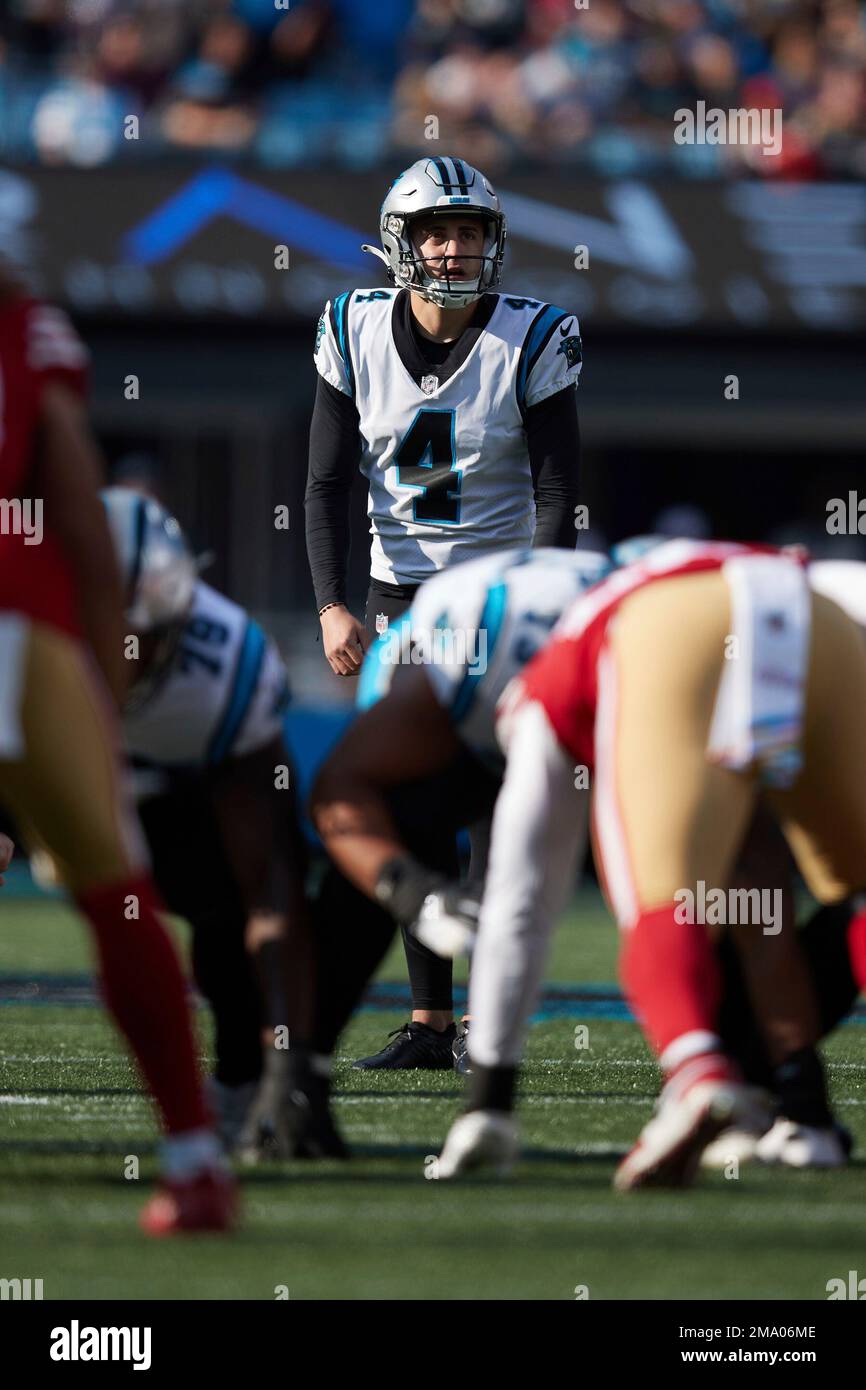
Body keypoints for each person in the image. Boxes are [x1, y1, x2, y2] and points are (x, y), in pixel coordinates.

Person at [430, 539, 866, 1188]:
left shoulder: (539, 692)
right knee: (811, 894)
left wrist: (488, 1101)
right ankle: (805, 1121)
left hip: (673, 630)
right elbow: (761, 908)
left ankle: (697, 1074)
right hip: (815, 606)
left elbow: (522, 902)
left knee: (661, 900)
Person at [305, 155, 583, 1065]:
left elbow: (556, 494)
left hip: (496, 600)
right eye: (437, 231)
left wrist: (535, 611)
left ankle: (488, 1029)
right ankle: (429, 1025)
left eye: (469, 232)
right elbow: (325, 483)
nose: (455, 248)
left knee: (506, 814)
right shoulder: (351, 327)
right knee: (411, 810)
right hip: (397, 598)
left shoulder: (532, 338)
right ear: (402, 243)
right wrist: (332, 605)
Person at [0, 268, 236, 1233]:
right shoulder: (17, 315)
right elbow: (80, 515)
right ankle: (194, 1157)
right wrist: (96, 677)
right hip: (19, 622)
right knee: (118, 894)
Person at [100, 487, 344, 1159]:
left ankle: (245, 1079)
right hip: (42, 741)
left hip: (171, 783)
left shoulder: (224, 671)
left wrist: (286, 1066)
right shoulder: (23, 633)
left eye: (140, 637)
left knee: (231, 901)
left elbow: (269, 888)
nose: (122, 653)